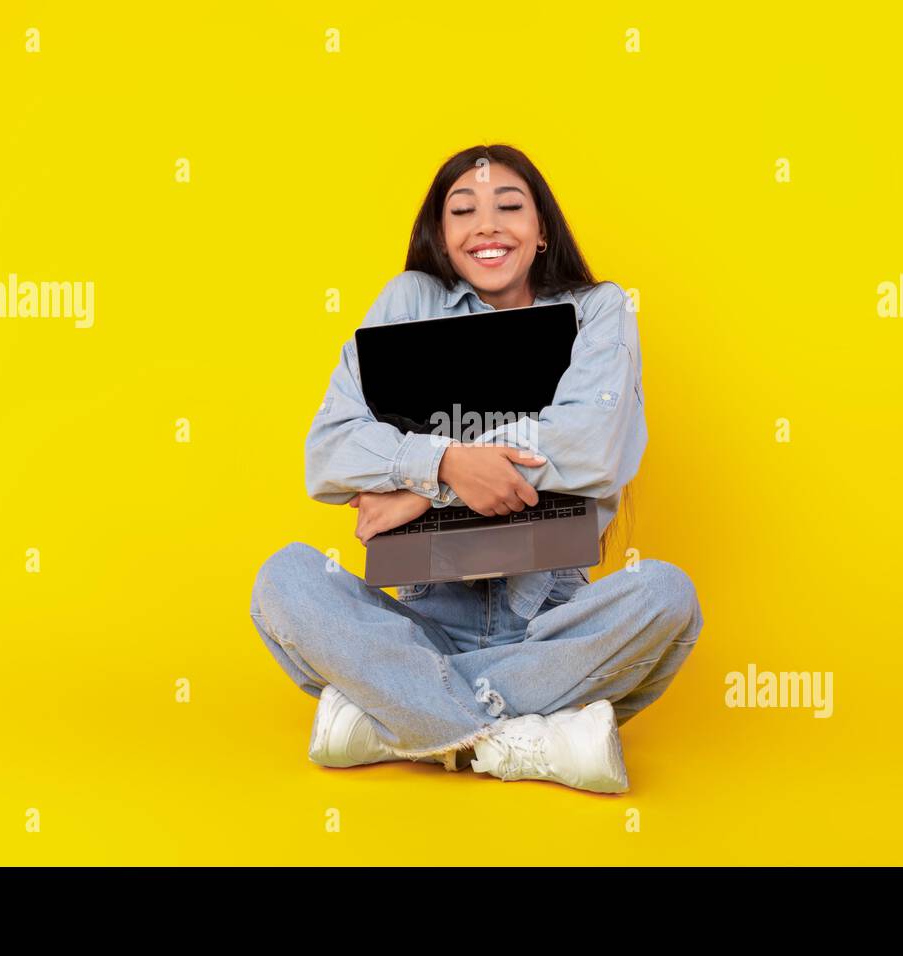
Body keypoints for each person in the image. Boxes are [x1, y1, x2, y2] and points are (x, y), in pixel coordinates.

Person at [250, 144, 703, 793]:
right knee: (285, 579)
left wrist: (421, 489)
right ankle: (522, 739)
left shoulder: (599, 309)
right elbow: (328, 454)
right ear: (442, 235)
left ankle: (395, 718)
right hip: (420, 623)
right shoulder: (410, 298)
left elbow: (594, 449)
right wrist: (447, 464)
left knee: (665, 594)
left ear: (542, 230)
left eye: (509, 206)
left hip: (550, 627)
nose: (486, 225)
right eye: (463, 211)